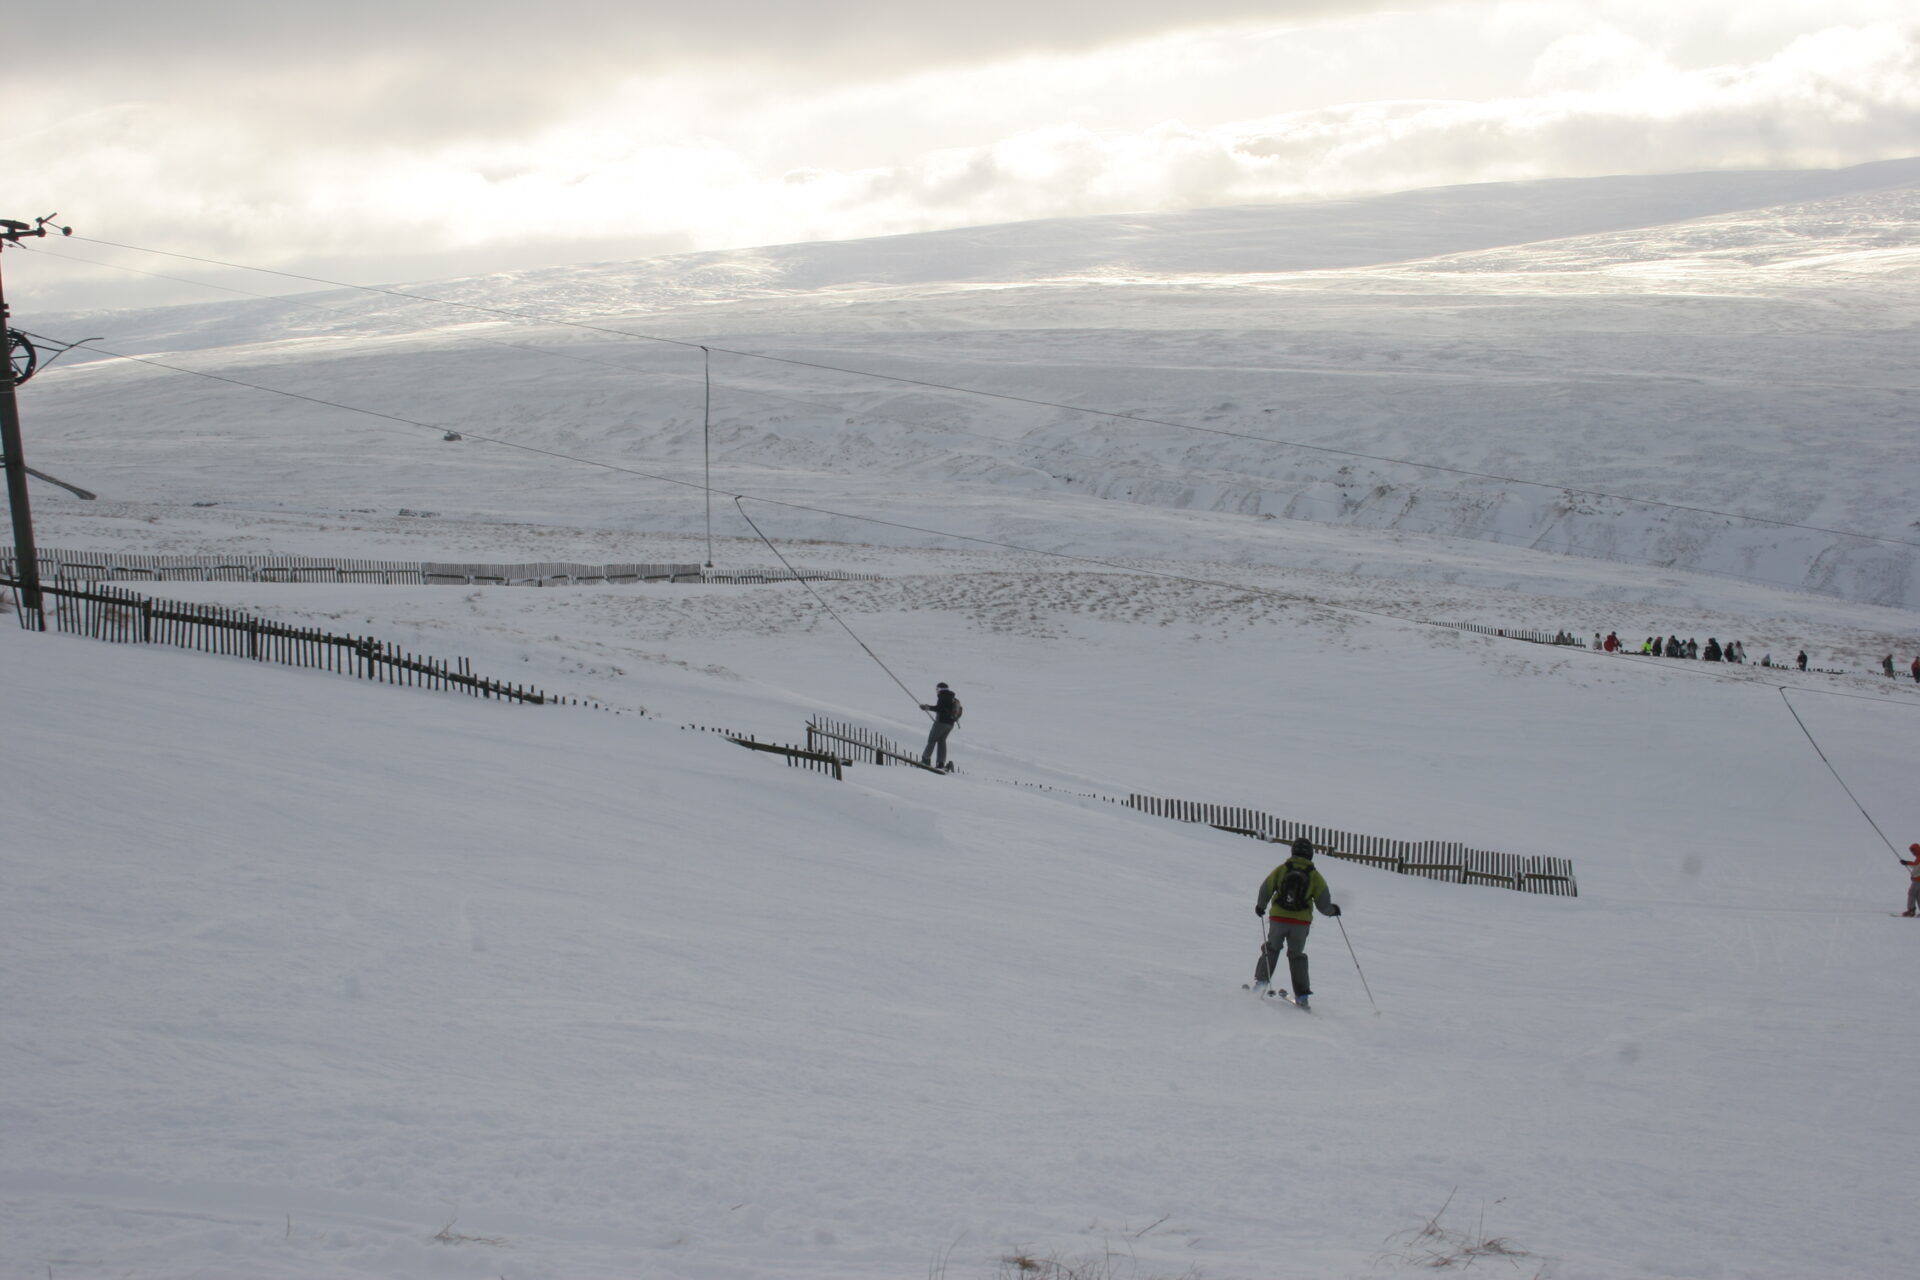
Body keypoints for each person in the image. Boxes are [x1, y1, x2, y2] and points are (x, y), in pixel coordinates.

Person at [1252, 836, 1342, 1010]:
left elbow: (1266, 888)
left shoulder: (1282, 869)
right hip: (1300, 924)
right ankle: (1302, 996)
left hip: (1278, 919)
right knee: (1296, 956)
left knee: (1271, 949)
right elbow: (1324, 906)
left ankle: (1261, 985)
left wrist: (1261, 906)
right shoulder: (1315, 876)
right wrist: (1333, 911)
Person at [918, 681, 961, 770]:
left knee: (932, 739)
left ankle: (925, 760)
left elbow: (939, 708)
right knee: (942, 740)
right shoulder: (951, 697)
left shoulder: (943, 696)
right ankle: (940, 763)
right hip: (950, 724)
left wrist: (927, 707)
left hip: (941, 723)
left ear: (941, 689)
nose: (937, 691)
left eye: (937, 689)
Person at [1904, 844, 1920, 917]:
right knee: (1918, 895)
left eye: (1913, 851)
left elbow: (1915, 865)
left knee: (1912, 893)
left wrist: (1906, 863)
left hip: (1918, 880)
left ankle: (1911, 910)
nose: (1912, 853)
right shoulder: (1918, 857)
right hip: (1917, 879)